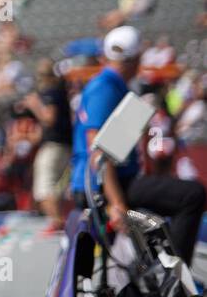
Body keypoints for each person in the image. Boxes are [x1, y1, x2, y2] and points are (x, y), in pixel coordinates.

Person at [71, 26, 206, 264]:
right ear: (136, 59)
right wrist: (117, 204)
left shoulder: (110, 85)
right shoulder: (106, 87)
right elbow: (100, 153)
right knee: (192, 195)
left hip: (109, 181)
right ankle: (175, 280)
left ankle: (164, 273)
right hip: (105, 186)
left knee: (175, 201)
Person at [22, 58, 71, 230]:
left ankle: (57, 221)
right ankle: (59, 221)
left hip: (55, 145)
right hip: (60, 143)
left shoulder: (52, 92)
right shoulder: (59, 91)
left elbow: (49, 118)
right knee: (56, 186)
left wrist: (35, 105)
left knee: (45, 186)